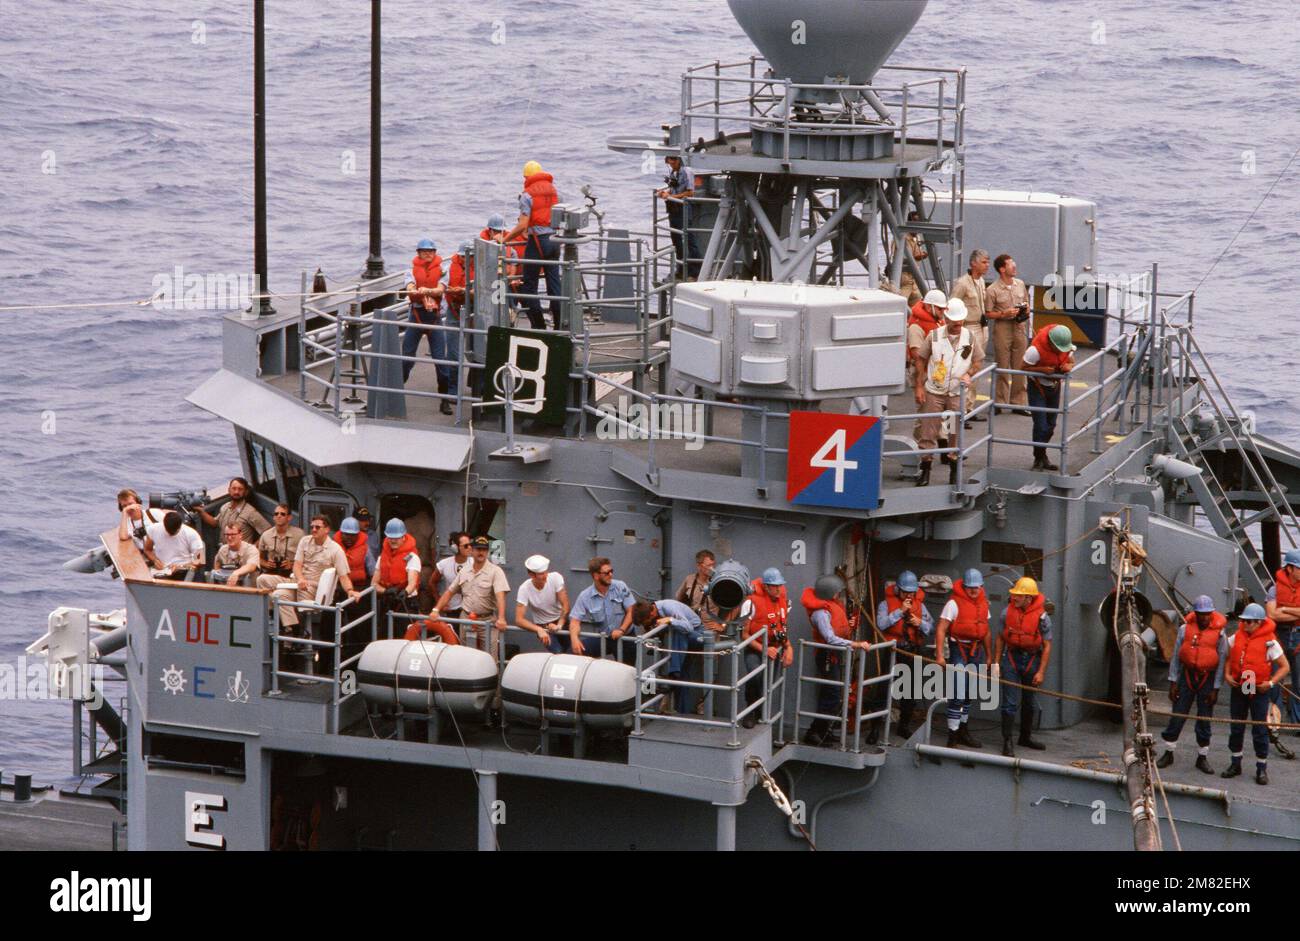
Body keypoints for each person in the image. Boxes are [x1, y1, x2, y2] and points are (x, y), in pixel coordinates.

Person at [913, 296, 983, 487]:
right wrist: (919, 385)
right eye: (954, 321)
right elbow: (920, 358)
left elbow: (977, 361)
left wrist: (969, 374)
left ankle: (953, 469)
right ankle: (925, 468)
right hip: (934, 392)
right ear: (947, 318)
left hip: (955, 395)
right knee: (928, 431)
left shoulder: (970, 337)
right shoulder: (934, 336)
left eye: (960, 321)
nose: (958, 324)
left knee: (954, 431)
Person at [1156, 595, 1228, 774]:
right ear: (1195, 613)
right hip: (1187, 677)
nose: (1204, 617)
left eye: (1207, 614)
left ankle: (1202, 757)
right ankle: (1169, 752)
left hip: (1207, 679)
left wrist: (1216, 688)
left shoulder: (1220, 634)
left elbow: (1221, 661)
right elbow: (1176, 658)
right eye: (1201, 614)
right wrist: (1173, 682)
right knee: (1178, 715)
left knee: (1204, 719)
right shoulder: (1184, 630)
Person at [1222, 603, 1291, 785]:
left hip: (1258, 689)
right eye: (1244, 621)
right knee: (1237, 726)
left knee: (1259, 729)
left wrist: (1269, 683)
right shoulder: (1235, 638)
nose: (1246, 625)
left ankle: (1261, 768)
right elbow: (1229, 658)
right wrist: (1227, 674)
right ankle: (1235, 763)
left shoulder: (1270, 642)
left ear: (1259, 622)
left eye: (1250, 622)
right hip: (1240, 687)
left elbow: (1285, 667)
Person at [800, 574, 872, 746]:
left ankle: (825, 731)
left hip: (834, 655)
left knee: (834, 693)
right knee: (830, 695)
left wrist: (850, 625)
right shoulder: (820, 613)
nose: (839, 595)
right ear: (830, 593)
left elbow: (839, 630)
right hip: (826, 656)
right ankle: (814, 732)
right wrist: (855, 644)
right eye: (837, 592)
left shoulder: (831, 608)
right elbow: (830, 638)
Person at [256, 514, 360, 630]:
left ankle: (291, 629)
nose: (314, 530)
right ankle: (292, 626)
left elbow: (343, 576)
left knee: (278, 594)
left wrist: (350, 591)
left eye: (317, 527)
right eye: (312, 527)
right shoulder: (305, 541)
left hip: (313, 589)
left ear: (327, 530)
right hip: (296, 581)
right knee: (262, 580)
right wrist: (300, 578)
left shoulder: (335, 550)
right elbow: (297, 565)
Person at [992, 577, 1053, 756]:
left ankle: (1025, 737)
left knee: (1029, 702)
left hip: (1032, 661)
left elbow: (1047, 645)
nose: (1014, 598)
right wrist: (996, 662)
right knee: (1009, 702)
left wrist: (1041, 671)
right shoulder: (1006, 613)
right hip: (1011, 658)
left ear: (1029, 598)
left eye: (1019, 596)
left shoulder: (1043, 618)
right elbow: (1000, 637)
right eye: (1014, 595)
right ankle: (1007, 741)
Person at [934, 568, 991, 749]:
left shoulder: (983, 604)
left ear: (981, 587)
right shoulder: (953, 604)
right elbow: (941, 628)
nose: (974, 591)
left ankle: (963, 731)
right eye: (970, 587)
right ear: (964, 587)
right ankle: (953, 735)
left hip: (977, 651)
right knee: (957, 694)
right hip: (959, 649)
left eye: (977, 587)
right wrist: (940, 655)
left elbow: (986, 631)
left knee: (969, 694)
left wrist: (989, 656)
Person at [502, 161, 562, 330]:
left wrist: (505, 240)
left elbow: (523, 225)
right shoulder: (555, 191)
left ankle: (539, 326)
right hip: (555, 241)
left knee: (528, 286)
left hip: (537, 242)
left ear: (527, 177)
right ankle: (559, 327)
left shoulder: (527, 195)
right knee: (554, 285)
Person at [433, 536, 510, 664]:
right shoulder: (464, 571)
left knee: (490, 659)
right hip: (466, 619)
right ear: (472, 551)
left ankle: (491, 682)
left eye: (484, 550)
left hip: (487, 621)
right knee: (465, 656)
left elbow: (500, 595)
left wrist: (501, 618)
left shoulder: (496, 572)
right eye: (478, 549)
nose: (481, 553)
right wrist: (436, 609)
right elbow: (449, 592)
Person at [877, 570, 933, 739]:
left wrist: (920, 622)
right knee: (883, 690)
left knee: (911, 692)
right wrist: (899, 612)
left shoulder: (920, 606)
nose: (909, 595)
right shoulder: (885, 604)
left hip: (911, 651)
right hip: (893, 650)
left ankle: (904, 725)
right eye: (906, 591)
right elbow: (881, 624)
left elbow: (931, 627)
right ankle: (874, 728)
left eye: (912, 592)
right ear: (898, 590)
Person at [632, 599, 704, 713]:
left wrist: (670, 620)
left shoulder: (669, 607)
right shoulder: (653, 613)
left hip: (697, 634)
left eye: (647, 621)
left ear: (652, 613)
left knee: (678, 630)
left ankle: (674, 672)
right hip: (679, 646)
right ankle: (682, 711)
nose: (648, 625)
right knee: (683, 676)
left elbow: (688, 627)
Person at [1021, 324, 1076, 471]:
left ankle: (1042, 455)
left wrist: (1068, 367)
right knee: (1040, 424)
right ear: (1051, 343)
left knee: (1051, 424)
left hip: (1054, 387)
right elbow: (1022, 368)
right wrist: (1042, 370)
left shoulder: (1066, 347)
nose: (1061, 351)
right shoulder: (1034, 351)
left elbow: (1071, 360)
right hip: (1037, 387)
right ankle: (1038, 458)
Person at [742, 568, 792, 728]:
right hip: (755, 648)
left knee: (767, 683)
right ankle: (750, 712)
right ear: (765, 586)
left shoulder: (784, 602)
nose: (778, 589)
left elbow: (782, 628)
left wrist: (789, 648)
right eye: (774, 586)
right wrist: (764, 649)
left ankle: (760, 714)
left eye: (780, 585)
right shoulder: (750, 603)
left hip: (775, 649)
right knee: (754, 675)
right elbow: (744, 635)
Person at [948, 248, 990, 423]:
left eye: (987, 262)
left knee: (976, 367)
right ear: (973, 263)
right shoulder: (962, 283)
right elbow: (952, 304)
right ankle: (960, 410)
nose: (987, 265)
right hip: (968, 327)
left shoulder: (980, 282)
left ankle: (969, 407)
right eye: (984, 262)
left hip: (981, 327)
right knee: (964, 367)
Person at [985, 254, 1031, 410]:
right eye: (1011, 264)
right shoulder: (992, 290)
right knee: (1002, 366)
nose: (1015, 266)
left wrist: (1025, 311)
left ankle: (1018, 402)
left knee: (1020, 366)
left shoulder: (1020, 284)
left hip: (1019, 327)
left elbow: (1026, 302)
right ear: (1002, 269)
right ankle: (999, 402)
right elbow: (988, 313)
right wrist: (1004, 314)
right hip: (1002, 328)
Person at [568, 557, 636, 660]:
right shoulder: (585, 596)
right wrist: (574, 639)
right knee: (573, 652)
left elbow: (632, 611)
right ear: (596, 576)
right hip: (605, 638)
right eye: (606, 573)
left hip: (625, 637)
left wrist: (621, 630)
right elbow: (575, 621)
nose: (611, 575)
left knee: (625, 672)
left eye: (611, 571)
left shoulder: (620, 586)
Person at [402, 238, 446, 384]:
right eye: (424, 251)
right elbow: (409, 284)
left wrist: (428, 290)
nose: (428, 254)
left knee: (440, 359)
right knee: (407, 356)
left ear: (435, 253)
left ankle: (444, 396)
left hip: (434, 317)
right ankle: (399, 386)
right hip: (416, 316)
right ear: (418, 253)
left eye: (431, 251)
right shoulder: (410, 271)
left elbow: (440, 290)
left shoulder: (442, 270)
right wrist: (413, 290)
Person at [1265, 548, 1300, 726]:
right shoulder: (1274, 590)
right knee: (1274, 680)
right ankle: (1274, 719)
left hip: (1298, 639)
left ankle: (1297, 722)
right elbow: (1272, 614)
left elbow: (1278, 612)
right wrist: (1297, 614)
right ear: (1290, 569)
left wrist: (1284, 609)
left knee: (1299, 681)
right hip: (1278, 637)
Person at [372, 518, 422, 633]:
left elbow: (412, 583)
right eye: (390, 537)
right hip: (388, 600)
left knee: (404, 634)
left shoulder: (412, 557)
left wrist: (404, 593)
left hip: (406, 603)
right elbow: (374, 583)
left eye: (396, 537)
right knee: (384, 633)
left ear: (404, 537)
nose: (393, 540)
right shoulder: (382, 557)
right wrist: (385, 591)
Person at [515, 554, 571, 652]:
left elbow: (565, 605)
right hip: (542, 626)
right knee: (557, 652)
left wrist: (559, 625)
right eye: (541, 573)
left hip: (562, 621)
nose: (545, 576)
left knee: (572, 652)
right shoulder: (524, 589)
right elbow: (519, 620)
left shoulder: (555, 578)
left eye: (546, 572)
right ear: (532, 575)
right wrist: (539, 629)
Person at [657, 155, 699, 280]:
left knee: (689, 238)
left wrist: (672, 197)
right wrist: (665, 193)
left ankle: (695, 271)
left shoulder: (687, 172)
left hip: (683, 208)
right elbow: (675, 188)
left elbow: (690, 192)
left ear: (678, 161)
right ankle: (681, 268)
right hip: (674, 208)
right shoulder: (674, 172)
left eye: (672, 163)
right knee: (676, 239)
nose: (671, 166)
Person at [195, 477, 269, 543]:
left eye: (240, 489)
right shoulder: (225, 507)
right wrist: (201, 511)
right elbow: (215, 523)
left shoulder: (250, 512)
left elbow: (268, 532)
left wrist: (252, 548)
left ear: (246, 492)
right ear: (229, 490)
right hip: (225, 552)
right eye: (234, 488)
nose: (236, 492)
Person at [674, 549, 729, 632]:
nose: (712, 568)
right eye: (708, 565)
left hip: (709, 631)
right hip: (691, 627)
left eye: (713, 565)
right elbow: (678, 600)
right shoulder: (689, 579)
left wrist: (723, 625)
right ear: (699, 565)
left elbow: (736, 605)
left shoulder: (718, 583)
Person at [143, 511, 205, 580]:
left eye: (174, 532)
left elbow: (200, 560)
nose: (170, 534)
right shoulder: (153, 529)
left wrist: (181, 567)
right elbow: (147, 550)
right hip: (162, 571)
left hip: (184, 571)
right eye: (167, 531)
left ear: (180, 526)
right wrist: (154, 560)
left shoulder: (191, 533)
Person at [429, 532, 471, 624]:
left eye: (470, 544)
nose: (470, 547)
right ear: (455, 548)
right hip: (452, 610)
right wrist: (439, 602)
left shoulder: (474, 563)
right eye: (466, 546)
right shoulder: (444, 564)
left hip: (471, 610)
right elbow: (432, 582)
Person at [258, 504, 305, 579]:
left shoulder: (299, 535)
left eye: (282, 514)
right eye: (276, 514)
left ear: (289, 517)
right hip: (271, 573)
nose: (279, 516)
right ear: (273, 517)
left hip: (292, 574)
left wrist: (292, 564)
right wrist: (266, 564)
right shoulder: (266, 535)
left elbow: (307, 559)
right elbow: (259, 558)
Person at [332, 517, 370, 588]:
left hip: (359, 588)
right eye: (346, 534)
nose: (349, 538)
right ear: (341, 533)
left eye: (353, 535)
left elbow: (372, 571)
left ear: (358, 535)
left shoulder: (365, 548)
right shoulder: (333, 547)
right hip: (337, 587)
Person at [354, 507, 381, 575]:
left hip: (373, 575)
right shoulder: (351, 537)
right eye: (363, 520)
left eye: (368, 520)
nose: (367, 523)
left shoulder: (374, 535)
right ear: (355, 520)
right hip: (357, 575)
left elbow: (377, 556)